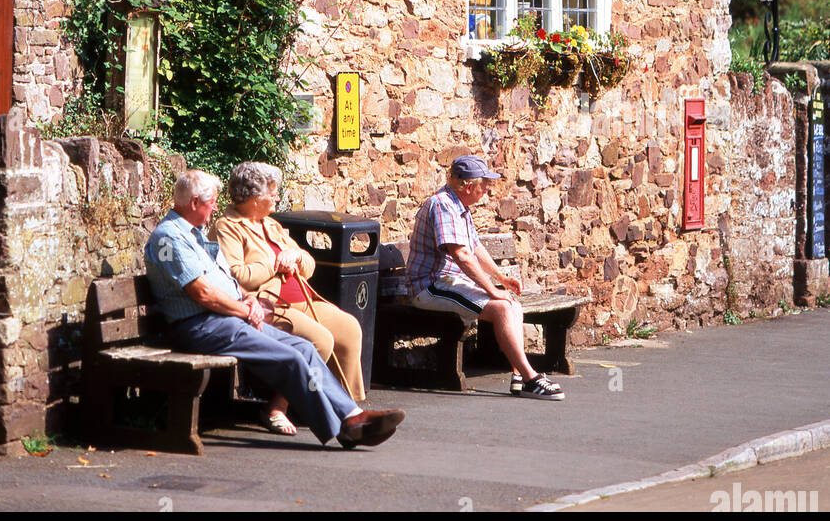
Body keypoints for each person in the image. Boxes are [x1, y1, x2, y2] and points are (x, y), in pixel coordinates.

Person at [144, 169, 405, 447]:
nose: (216, 206)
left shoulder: (194, 235)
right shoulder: (168, 238)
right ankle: (343, 428)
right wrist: (245, 309)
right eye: (212, 201)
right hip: (201, 325)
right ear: (195, 203)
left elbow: (228, 281)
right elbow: (203, 293)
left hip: (226, 318)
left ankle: (353, 414)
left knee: (303, 349)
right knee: (291, 358)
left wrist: (247, 300)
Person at [213, 161, 365, 435]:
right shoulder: (228, 226)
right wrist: (275, 263)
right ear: (254, 196)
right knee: (320, 340)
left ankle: (345, 406)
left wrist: (295, 256)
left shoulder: (271, 225)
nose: (276, 197)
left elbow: (308, 265)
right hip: (267, 304)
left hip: (304, 299)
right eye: (272, 192)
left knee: (349, 328)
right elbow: (236, 274)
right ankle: (276, 407)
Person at [406, 154, 565, 400]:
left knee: (511, 303)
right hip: (430, 286)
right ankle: (531, 378)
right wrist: (492, 290)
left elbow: (475, 248)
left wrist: (500, 278)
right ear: (469, 186)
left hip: (449, 282)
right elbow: (462, 255)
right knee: (501, 308)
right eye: (484, 185)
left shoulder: (459, 206)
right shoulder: (443, 205)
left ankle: (519, 376)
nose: (486, 191)